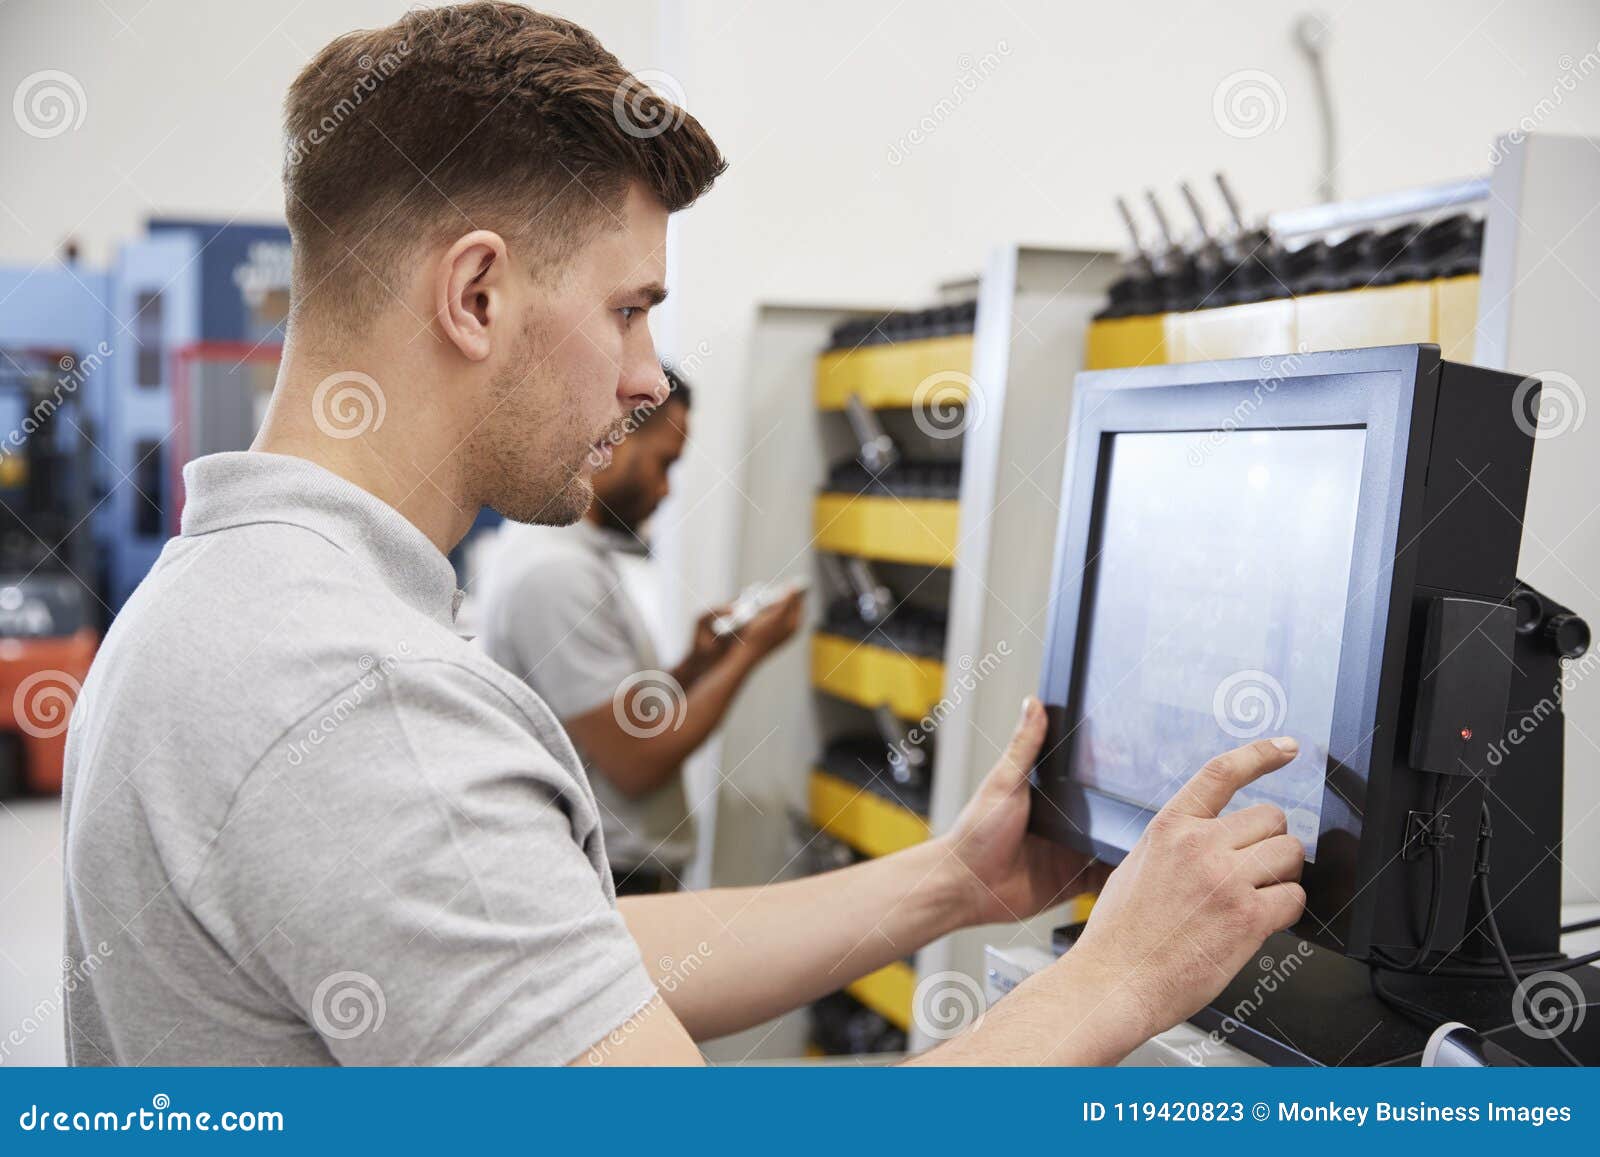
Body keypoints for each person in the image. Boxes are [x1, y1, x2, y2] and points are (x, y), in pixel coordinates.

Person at [61, 2, 1304, 1067]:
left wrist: (950, 883)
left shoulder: (224, 597)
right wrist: (1118, 979)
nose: (648, 376)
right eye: (628, 309)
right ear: (476, 294)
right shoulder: (364, 698)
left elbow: (563, 959)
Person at [477, 368, 804, 895]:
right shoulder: (555, 572)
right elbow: (636, 762)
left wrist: (697, 666)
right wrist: (749, 654)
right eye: (663, 464)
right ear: (615, 439)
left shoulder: (577, 555)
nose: (666, 489)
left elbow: (624, 717)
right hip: (602, 876)